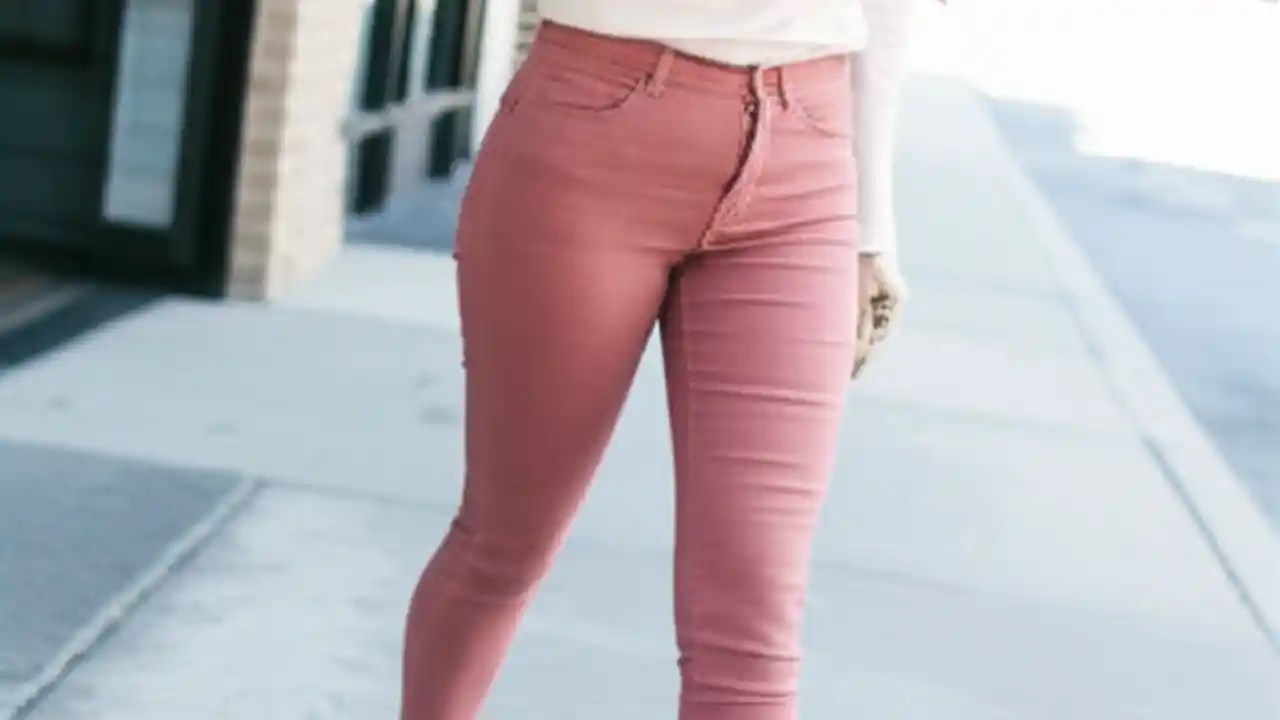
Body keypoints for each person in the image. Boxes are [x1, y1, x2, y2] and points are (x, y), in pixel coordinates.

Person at [402, 1, 926, 717]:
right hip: (593, 131)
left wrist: (871, 230)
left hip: (807, 164)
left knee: (754, 613)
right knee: (504, 545)